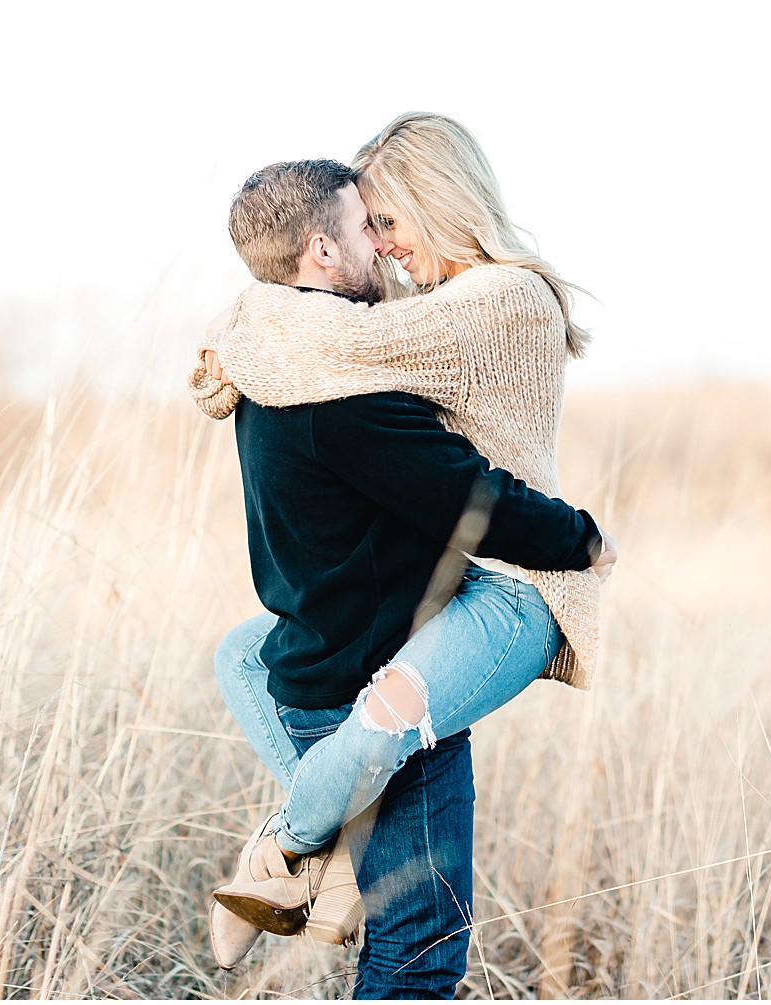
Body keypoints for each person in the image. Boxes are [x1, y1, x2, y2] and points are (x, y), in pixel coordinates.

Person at [191, 150, 612, 998]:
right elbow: (467, 499)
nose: (378, 247)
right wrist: (583, 539)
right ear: (320, 249)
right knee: (421, 947)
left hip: (337, 656)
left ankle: (331, 857)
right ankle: (282, 850)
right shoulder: (339, 385)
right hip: (383, 659)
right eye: (363, 227)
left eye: (388, 223)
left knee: (243, 651)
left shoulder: (282, 362)